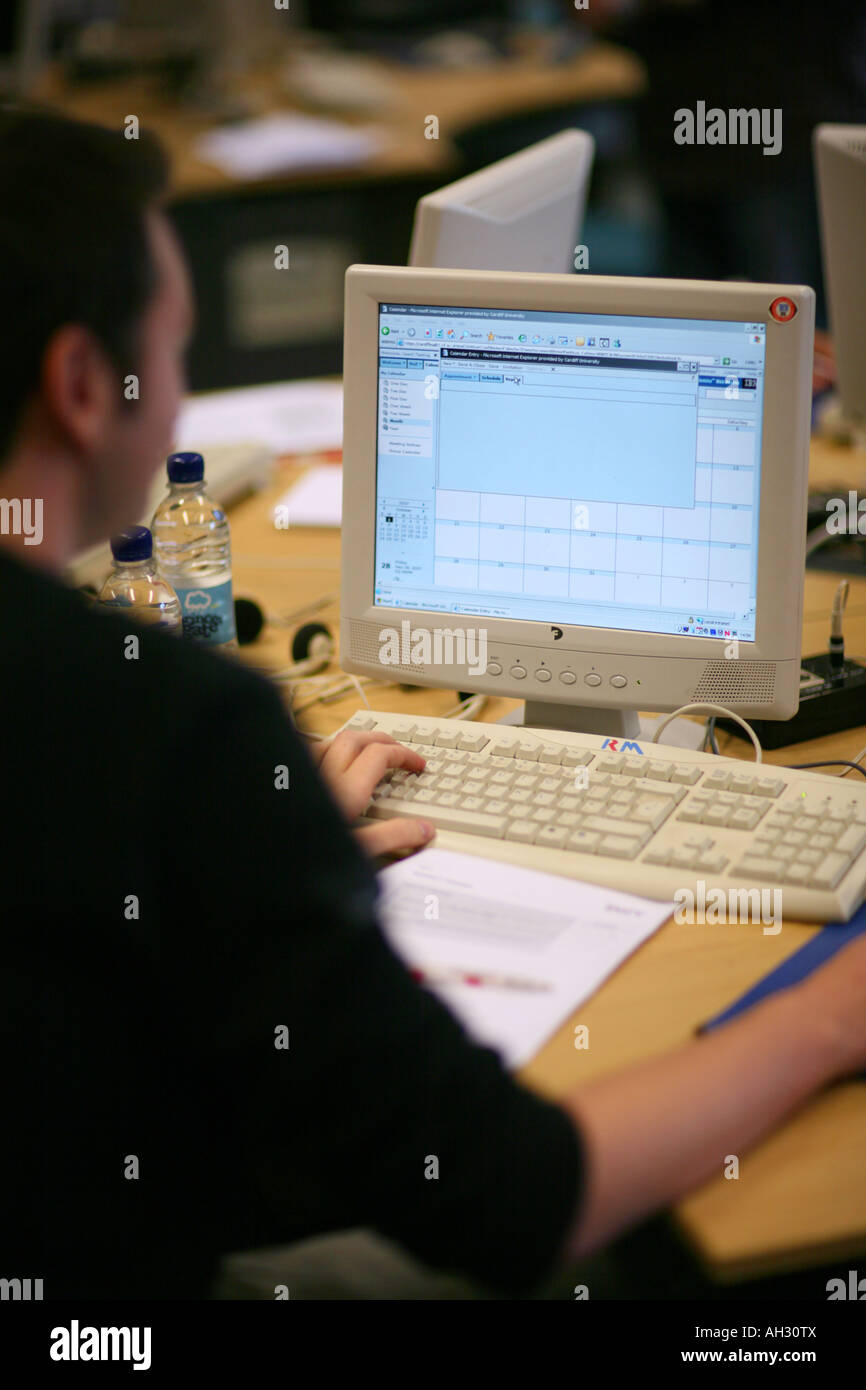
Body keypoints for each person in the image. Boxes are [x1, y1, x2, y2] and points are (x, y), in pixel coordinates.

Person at [1, 107, 865, 1300]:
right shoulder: (166, 725)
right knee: (651, 1266)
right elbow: (507, 1195)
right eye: (176, 351)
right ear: (84, 385)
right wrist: (823, 1022)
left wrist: (248, 869)